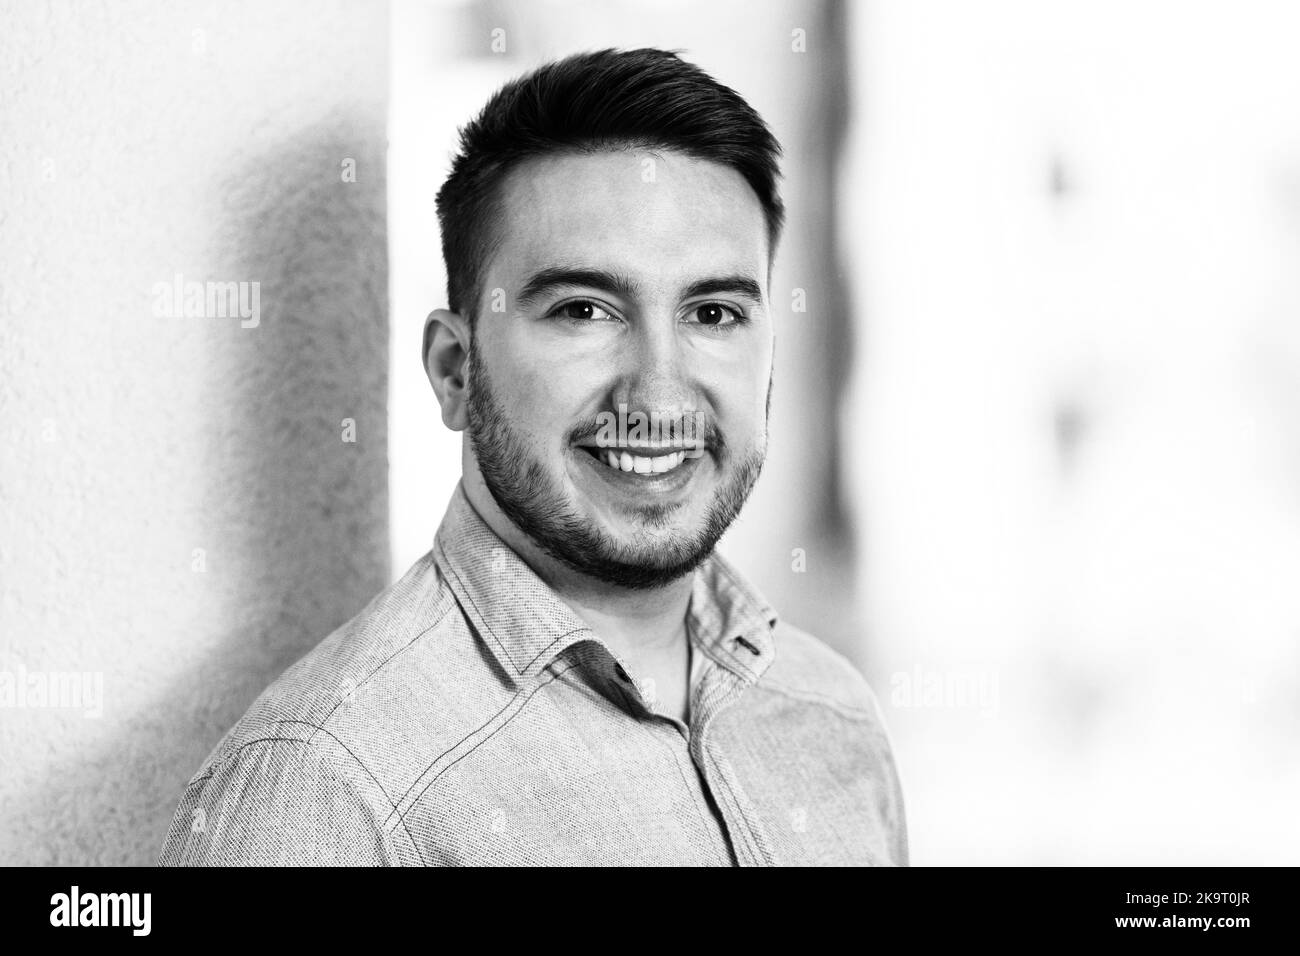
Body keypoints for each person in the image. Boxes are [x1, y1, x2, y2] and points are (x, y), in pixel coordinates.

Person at [159, 47, 907, 866]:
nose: (657, 398)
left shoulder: (831, 716)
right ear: (454, 369)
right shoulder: (328, 786)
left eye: (715, 313)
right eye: (584, 310)